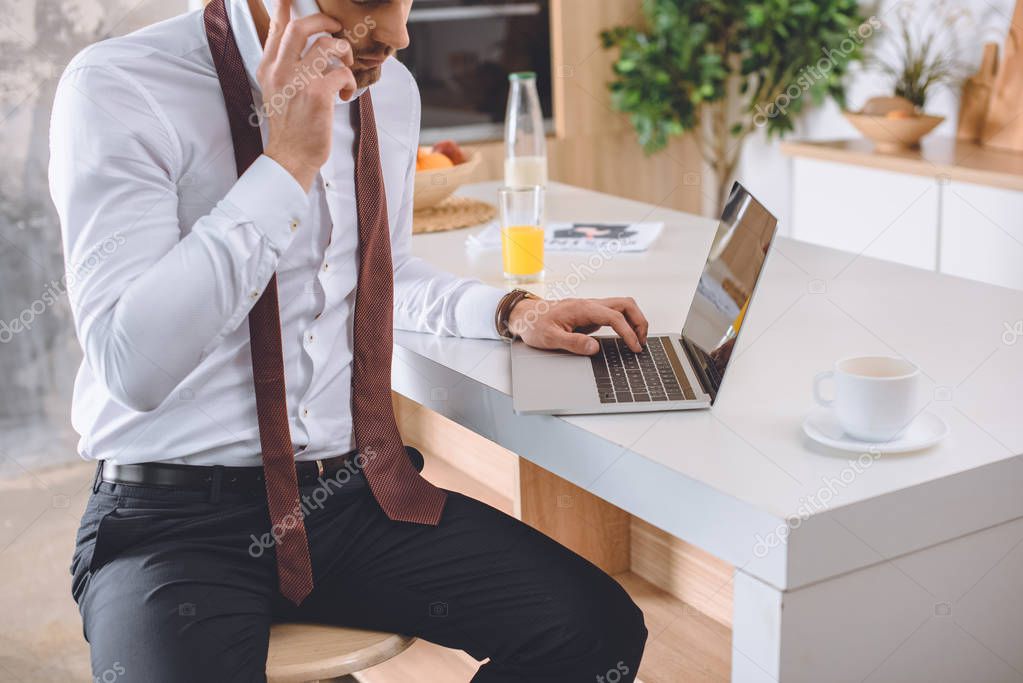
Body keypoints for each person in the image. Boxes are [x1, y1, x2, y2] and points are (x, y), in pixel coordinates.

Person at [49, 0, 650, 680]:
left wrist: (511, 309)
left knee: (593, 630)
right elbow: (133, 366)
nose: (396, 35)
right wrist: (286, 162)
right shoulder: (122, 85)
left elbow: (379, 270)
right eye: (364, 5)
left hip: (348, 499)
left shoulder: (388, 89)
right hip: (173, 521)